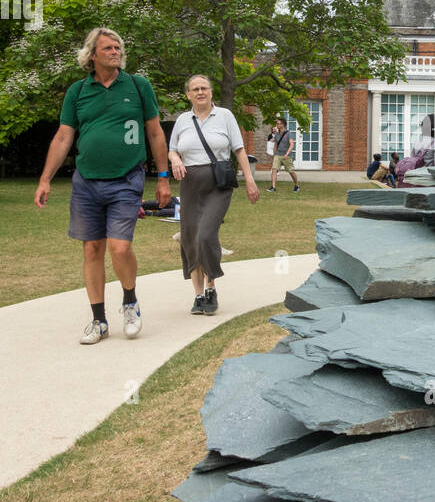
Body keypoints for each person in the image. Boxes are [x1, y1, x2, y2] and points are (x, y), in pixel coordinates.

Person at [34, 26, 171, 344]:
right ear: (92, 55)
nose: (115, 52)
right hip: (86, 183)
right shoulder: (78, 92)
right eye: (108, 48)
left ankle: (130, 302)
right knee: (92, 248)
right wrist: (44, 179)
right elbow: (64, 136)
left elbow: (154, 133)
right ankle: (98, 320)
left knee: (119, 248)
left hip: (126, 178)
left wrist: (163, 178)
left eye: (118, 47)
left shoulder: (138, 86)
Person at [167, 75, 259, 313]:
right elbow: (172, 150)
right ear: (188, 94)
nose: (200, 92)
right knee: (190, 239)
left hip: (218, 184)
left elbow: (239, 150)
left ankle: (211, 285)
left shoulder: (225, 116)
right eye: (195, 89)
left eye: (204, 88)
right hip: (190, 186)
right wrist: (175, 159)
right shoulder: (183, 120)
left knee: (206, 235)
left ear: (210, 92)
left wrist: (250, 180)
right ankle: (199, 296)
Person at [267, 118, 300, 193]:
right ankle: (273, 187)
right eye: (277, 124)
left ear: (283, 125)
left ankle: (297, 185)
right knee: (274, 169)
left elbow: (291, 144)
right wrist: (274, 155)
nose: (277, 125)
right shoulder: (277, 134)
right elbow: (275, 145)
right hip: (278, 155)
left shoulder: (288, 133)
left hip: (286, 156)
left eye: (278, 124)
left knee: (291, 171)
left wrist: (287, 153)